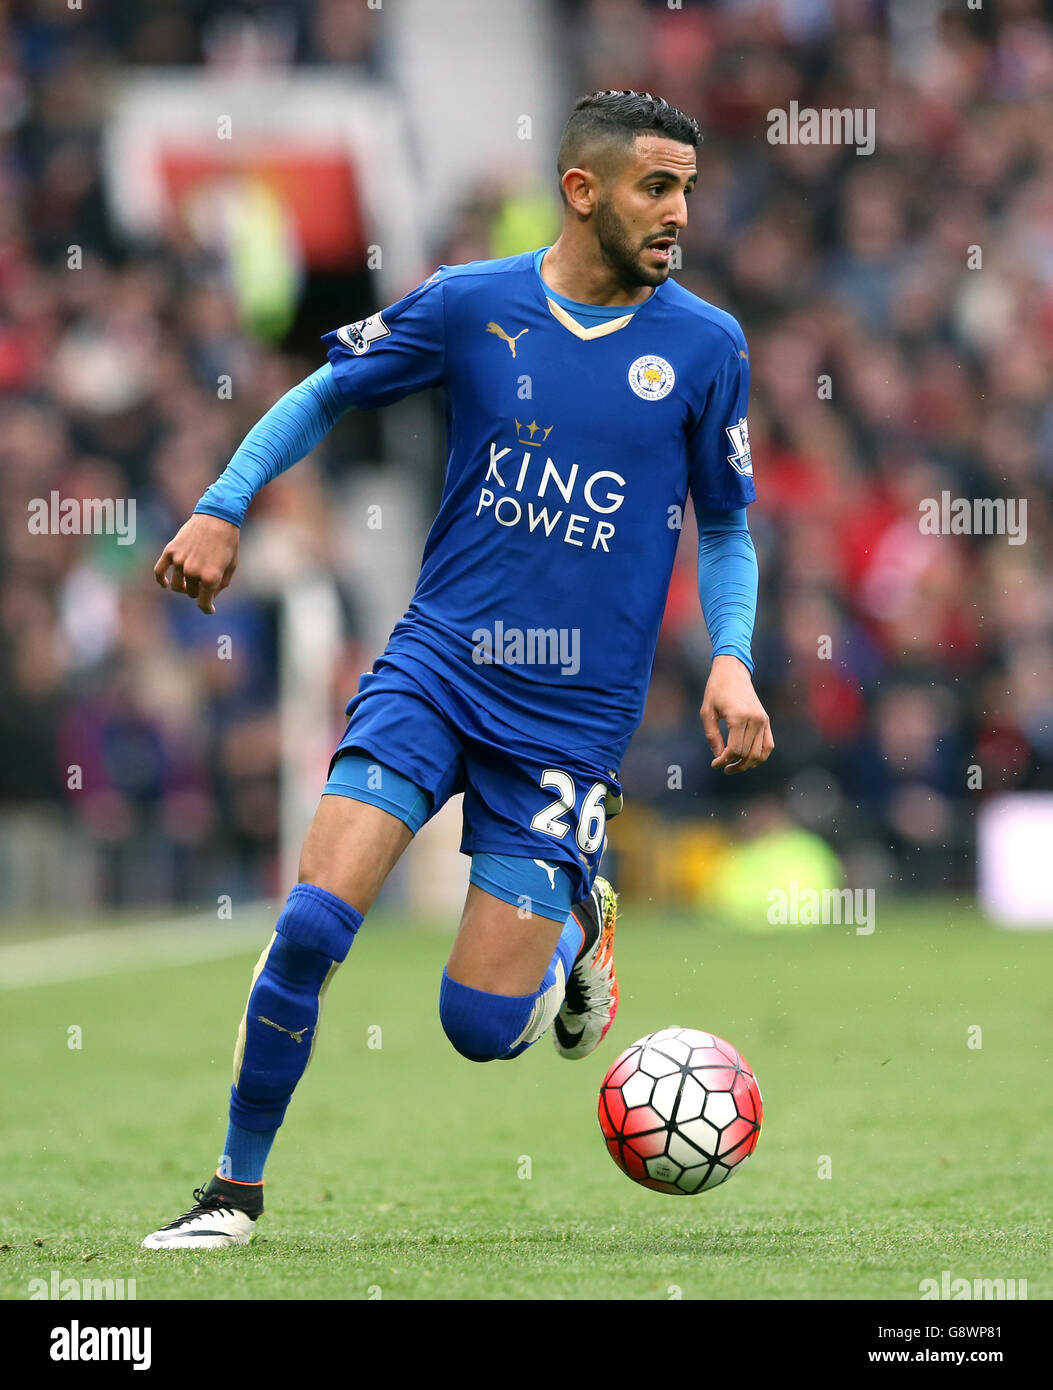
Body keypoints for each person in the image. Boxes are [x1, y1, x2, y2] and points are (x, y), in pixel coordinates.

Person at [143, 89, 774, 1248]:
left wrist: (731, 658)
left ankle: (581, 925)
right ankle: (232, 1192)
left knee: (481, 1027)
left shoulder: (706, 346)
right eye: (657, 187)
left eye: (688, 187)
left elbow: (727, 524)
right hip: (436, 666)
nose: (681, 211)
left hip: (570, 720)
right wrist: (226, 502)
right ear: (582, 193)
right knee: (312, 927)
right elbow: (328, 388)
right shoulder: (470, 303)